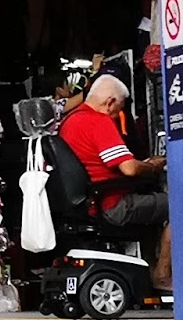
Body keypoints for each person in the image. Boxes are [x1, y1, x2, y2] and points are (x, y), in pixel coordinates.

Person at [61, 73, 170, 289]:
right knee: (176, 204)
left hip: (89, 204)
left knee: (152, 213)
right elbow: (129, 169)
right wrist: (153, 166)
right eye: (118, 110)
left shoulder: (69, 121)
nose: (116, 116)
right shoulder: (98, 121)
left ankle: (148, 274)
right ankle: (162, 275)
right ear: (110, 102)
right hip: (112, 204)